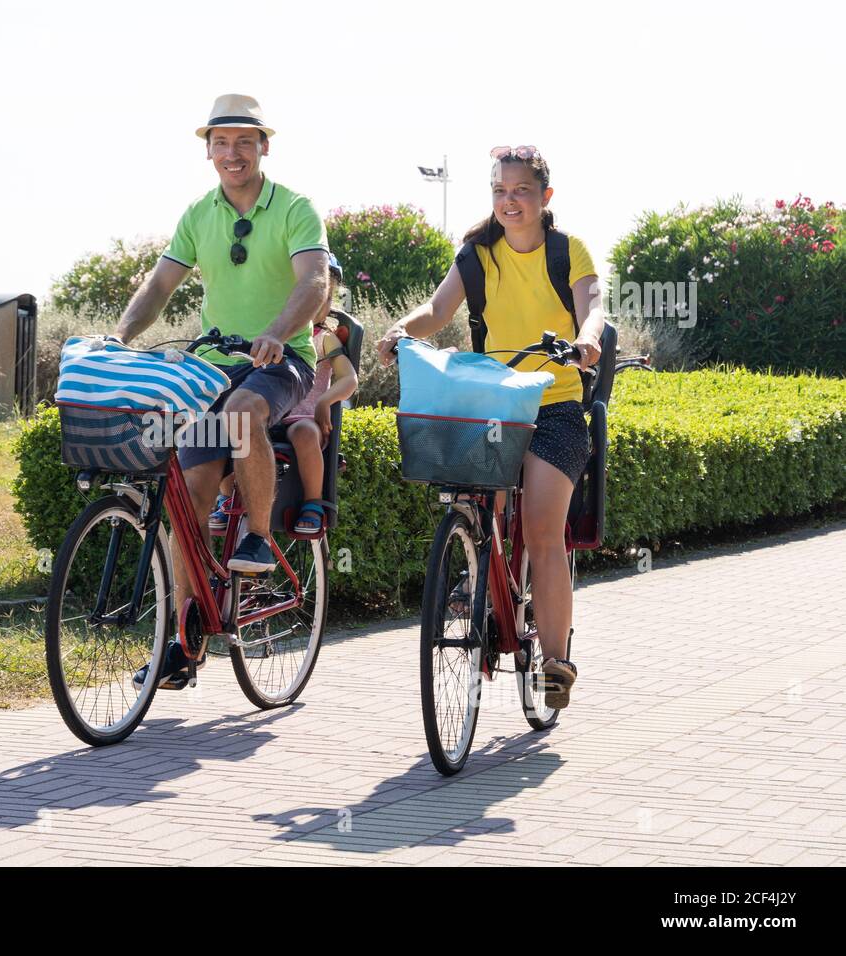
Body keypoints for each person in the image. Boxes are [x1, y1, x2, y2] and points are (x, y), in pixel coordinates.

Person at [111, 93, 330, 690]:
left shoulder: (295, 208)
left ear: (264, 146)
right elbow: (158, 286)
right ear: (208, 149)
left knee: (242, 414)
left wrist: (277, 333)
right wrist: (119, 336)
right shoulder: (197, 215)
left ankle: (258, 535)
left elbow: (314, 281)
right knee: (188, 495)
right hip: (211, 366)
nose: (232, 153)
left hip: (282, 362)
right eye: (221, 142)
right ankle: (184, 639)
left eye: (244, 141)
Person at [376, 145, 606, 709]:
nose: (510, 201)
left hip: (554, 405)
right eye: (501, 191)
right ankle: (478, 566)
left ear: (544, 197)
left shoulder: (566, 251)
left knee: (543, 528)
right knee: (479, 497)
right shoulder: (477, 255)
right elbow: (436, 311)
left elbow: (593, 304)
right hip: (494, 402)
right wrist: (400, 330)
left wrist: (587, 341)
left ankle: (554, 661)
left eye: (521, 191)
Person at [209, 253, 357, 535]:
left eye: (325, 296)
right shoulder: (266, 333)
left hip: (301, 417)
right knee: (227, 429)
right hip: (266, 414)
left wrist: (325, 401)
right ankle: (227, 498)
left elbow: (349, 378)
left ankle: (313, 502)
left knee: (304, 433)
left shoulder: (323, 339)